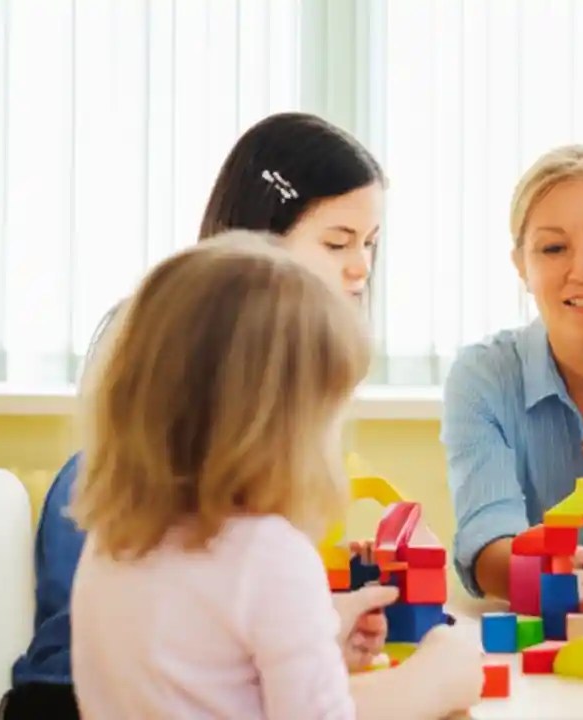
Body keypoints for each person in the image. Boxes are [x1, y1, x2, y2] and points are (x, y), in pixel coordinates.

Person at [1, 112, 386, 720]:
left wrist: (304, 627)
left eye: (370, 243)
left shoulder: (195, 539)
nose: (361, 267)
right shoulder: (161, 511)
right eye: (337, 243)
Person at [68, 233, 483, 719]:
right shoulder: (267, 556)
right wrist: (436, 678)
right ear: (280, 429)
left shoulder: (111, 543)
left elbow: (199, 677)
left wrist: (315, 643)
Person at [442, 144, 583, 599]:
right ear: (522, 265)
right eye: (554, 248)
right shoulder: (483, 378)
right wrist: (554, 585)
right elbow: (487, 538)